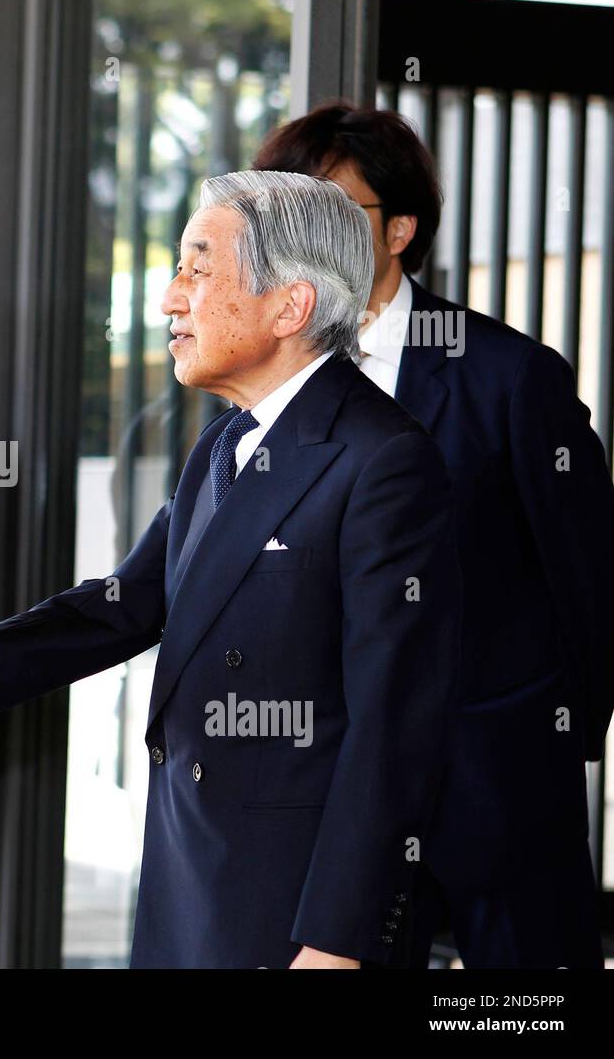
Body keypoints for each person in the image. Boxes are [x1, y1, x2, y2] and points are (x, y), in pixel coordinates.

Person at [0, 170, 462, 968]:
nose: (171, 298)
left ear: (290, 306)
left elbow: (395, 729)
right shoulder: (224, 444)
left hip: (291, 913)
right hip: (189, 880)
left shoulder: (385, 460)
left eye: (198, 269)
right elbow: (127, 602)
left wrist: (339, 939)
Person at [254, 101, 614, 969]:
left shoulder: (509, 376)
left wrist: (552, 738)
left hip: (495, 795)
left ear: (400, 227)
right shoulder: (269, 379)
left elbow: (590, 580)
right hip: (327, 807)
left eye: (330, 210)